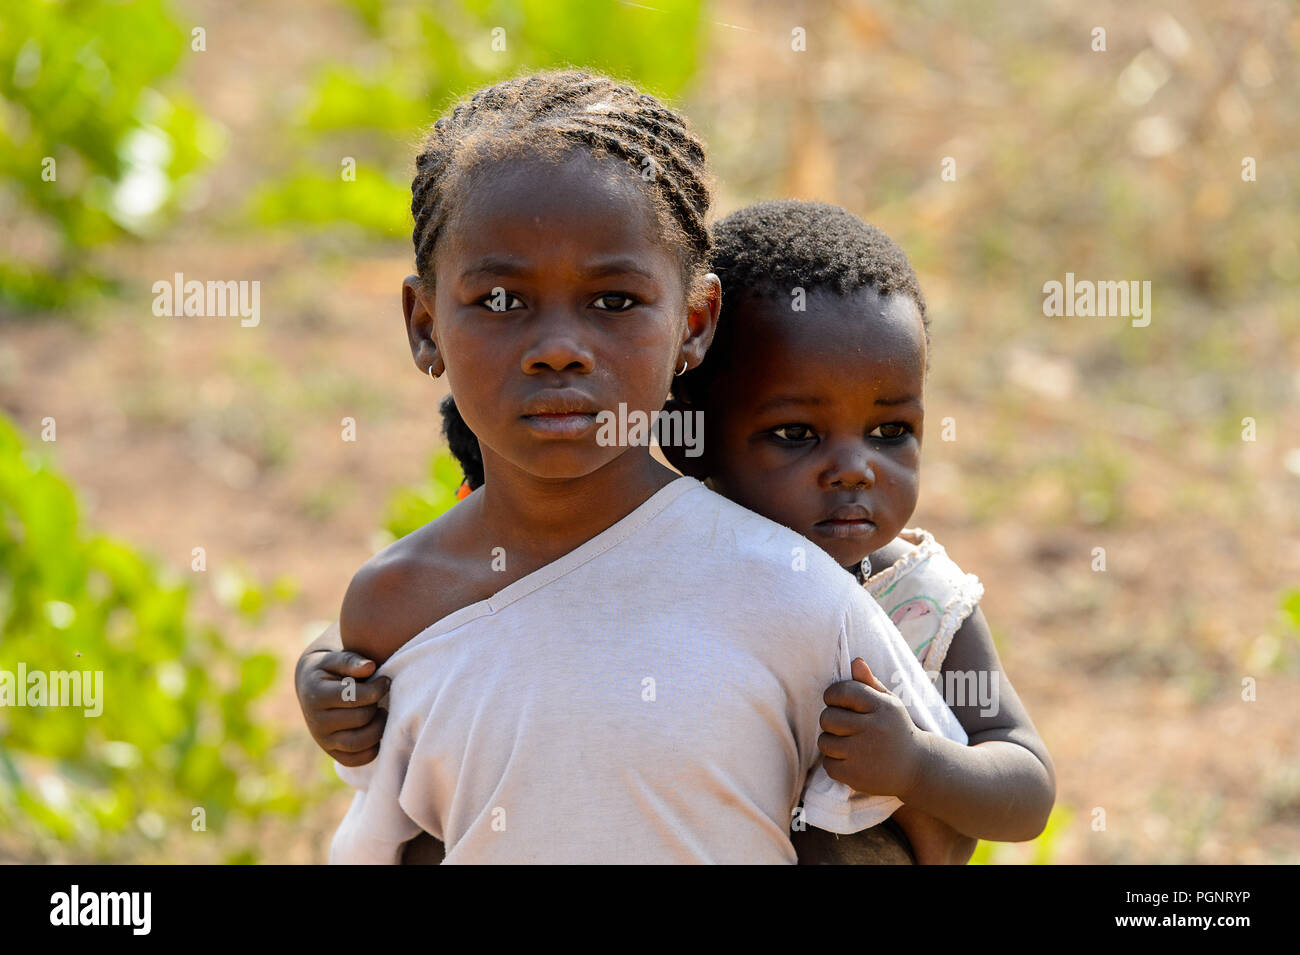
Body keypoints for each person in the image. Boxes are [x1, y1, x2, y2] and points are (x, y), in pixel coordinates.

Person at [311, 70, 967, 864]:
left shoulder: (786, 585)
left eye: (614, 301)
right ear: (425, 325)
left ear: (694, 324)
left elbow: (937, 835)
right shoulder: (395, 605)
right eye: (501, 301)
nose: (558, 346)